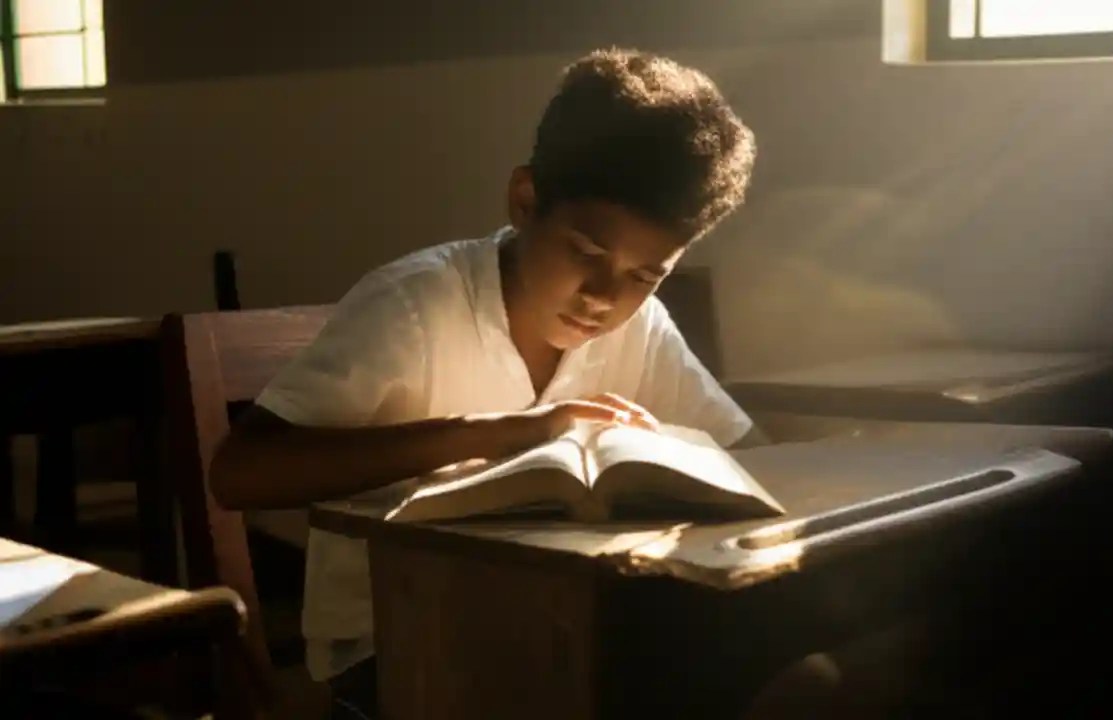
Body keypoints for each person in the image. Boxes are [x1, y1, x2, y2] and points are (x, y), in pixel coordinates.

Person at [209, 47, 764, 718]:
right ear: (525, 201)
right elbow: (240, 474)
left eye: (645, 276)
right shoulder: (415, 305)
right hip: (394, 647)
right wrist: (500, 435)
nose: (602, 296)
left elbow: (752, 458)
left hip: (558, 622)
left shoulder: (640, 326)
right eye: (585, 252)